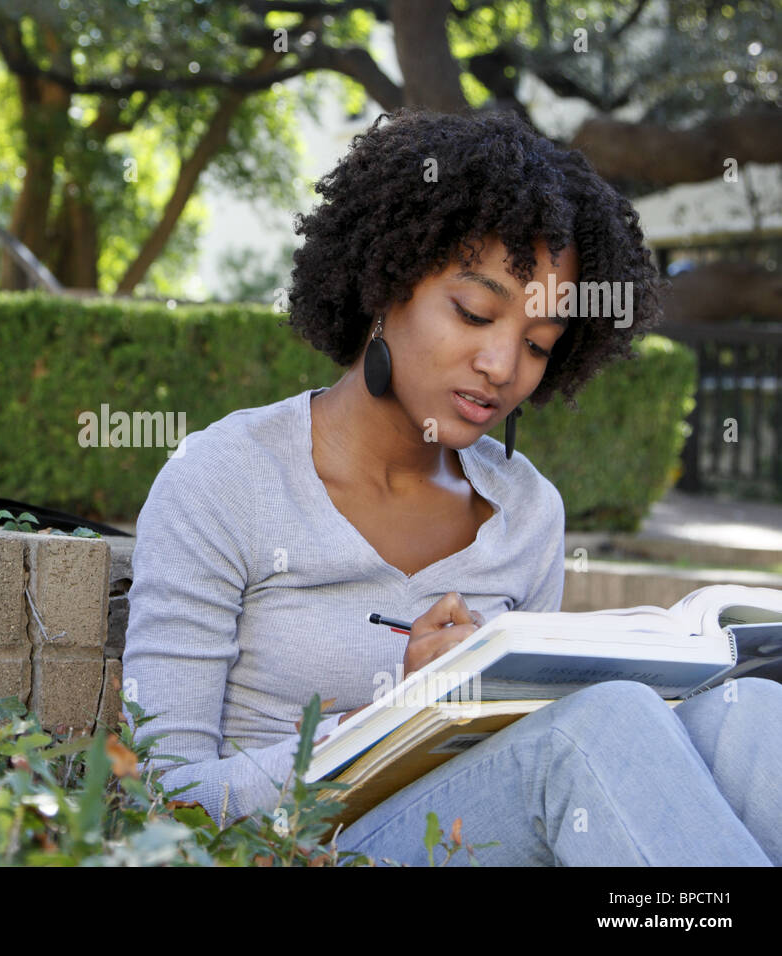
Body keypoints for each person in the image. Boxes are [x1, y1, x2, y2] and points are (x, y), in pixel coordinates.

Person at [121, 107, 782, 866]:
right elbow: (163, 799)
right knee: (596, 728)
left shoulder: (528, 513)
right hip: (304, 847)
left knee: (751, 714)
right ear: (386, 283)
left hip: (492, 835)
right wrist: (397, 717)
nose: (503, 366)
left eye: (538, 345)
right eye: (473, 313)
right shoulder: (224, 479)